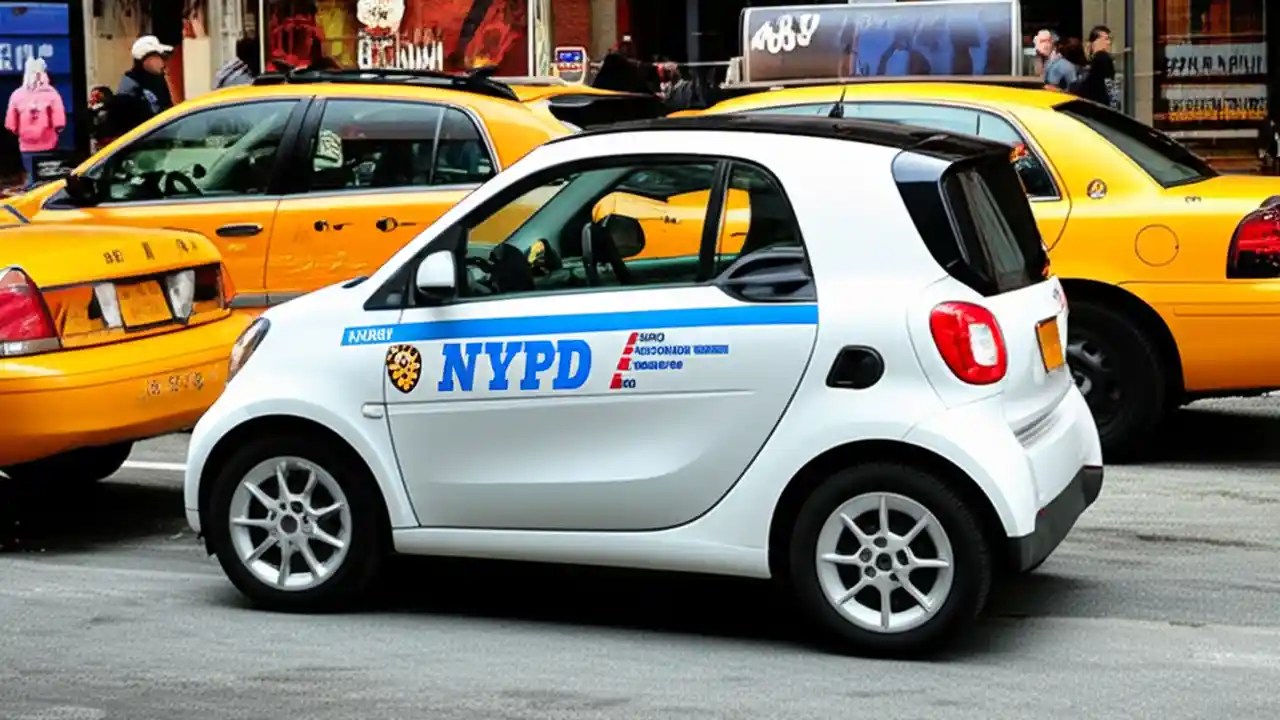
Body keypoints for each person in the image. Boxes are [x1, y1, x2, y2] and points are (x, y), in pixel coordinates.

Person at [5, 57, 65, 189]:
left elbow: (10, 124)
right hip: (48, 144)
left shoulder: (17, 95)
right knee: (47, 177)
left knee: (31, 174)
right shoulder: (52, 94)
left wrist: (20, 132)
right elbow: (60, 122)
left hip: (26, 146)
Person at [109, 35, 175, 137]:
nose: (163, 62)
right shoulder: (129, 89)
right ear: (145, 59)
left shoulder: (157, 80)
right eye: (160, 57)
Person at [1075, 25, 1120, 110]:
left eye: (1109, 39)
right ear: (1096, 41)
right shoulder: (1100, 59)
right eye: (1106, 39)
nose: (1109, 42)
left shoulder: (1102, 58)